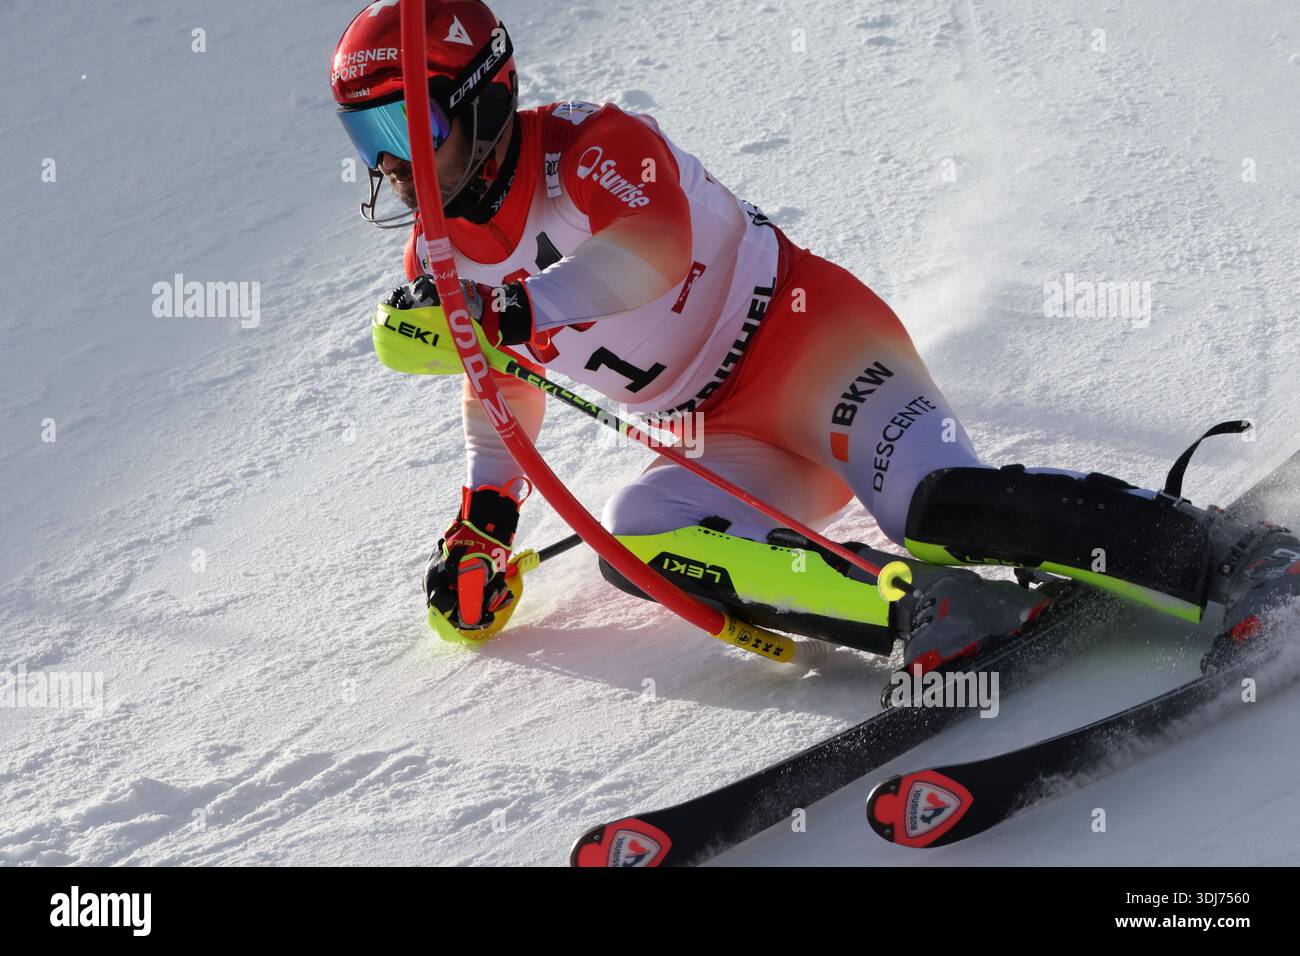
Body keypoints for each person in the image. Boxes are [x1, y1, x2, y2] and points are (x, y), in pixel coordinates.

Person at [332, 0, 1299, 670]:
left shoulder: (591, 147)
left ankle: (1228, 557)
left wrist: (511, 312)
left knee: (931, 509)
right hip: (722, 441)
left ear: (488, 98)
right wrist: (486, 526)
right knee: (637, 539)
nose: (400, 169)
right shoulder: (437, 250)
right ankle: (925, 611)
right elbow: (499, 383)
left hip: (813, 350)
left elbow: (656, 250)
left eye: (412, 130)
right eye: (372, 143)